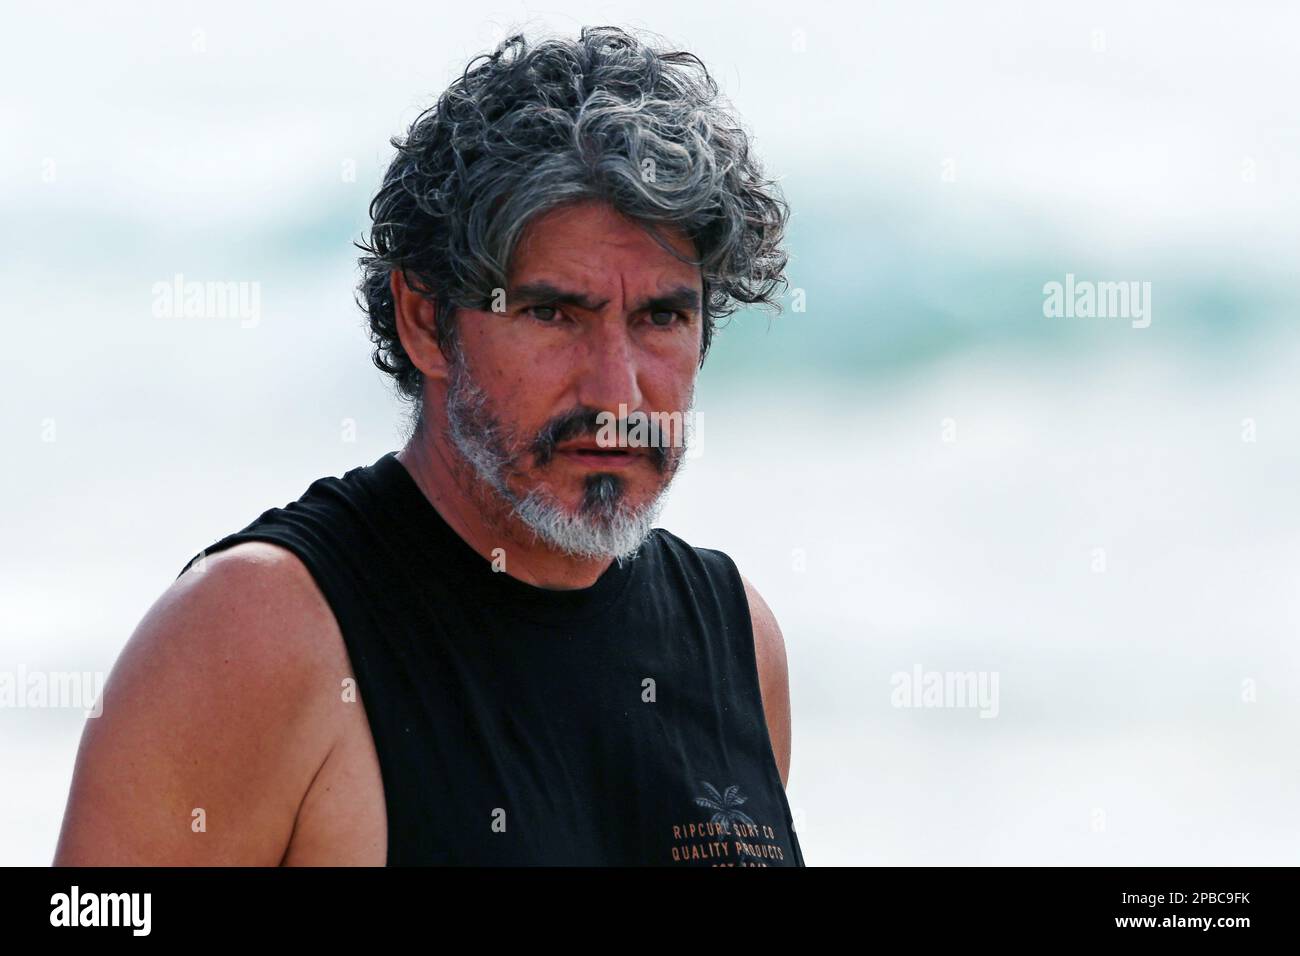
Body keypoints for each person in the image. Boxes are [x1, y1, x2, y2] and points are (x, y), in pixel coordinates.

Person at [54, 25, 802, 866]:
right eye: (553, 313)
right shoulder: (256, 634)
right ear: (425, 320)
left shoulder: (735, 637)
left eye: (661, 316)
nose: (618, 392)